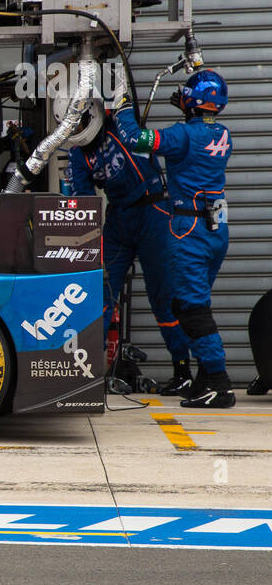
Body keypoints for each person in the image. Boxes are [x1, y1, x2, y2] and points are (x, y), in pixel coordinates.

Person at [111, 69, 234, 408]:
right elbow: (199, 132)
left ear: (192, 101)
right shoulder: (223, 134)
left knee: (191, 309)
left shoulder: (182, 136)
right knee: (191, 304)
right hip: (216, 229)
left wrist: (122, 110)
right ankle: (204, 378)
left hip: (190, 230)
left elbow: (138, 140)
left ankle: (219, 383)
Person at [69, 110, 192, 393]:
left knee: (164, 298)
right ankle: (86, 376)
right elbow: (83, 199)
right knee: (99, 294)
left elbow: (136, 132)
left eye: (80, 122)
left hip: (155, 211)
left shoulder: (121, 123)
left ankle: (182, 370)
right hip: (118, 219)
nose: (77, 128)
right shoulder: (77, 153)